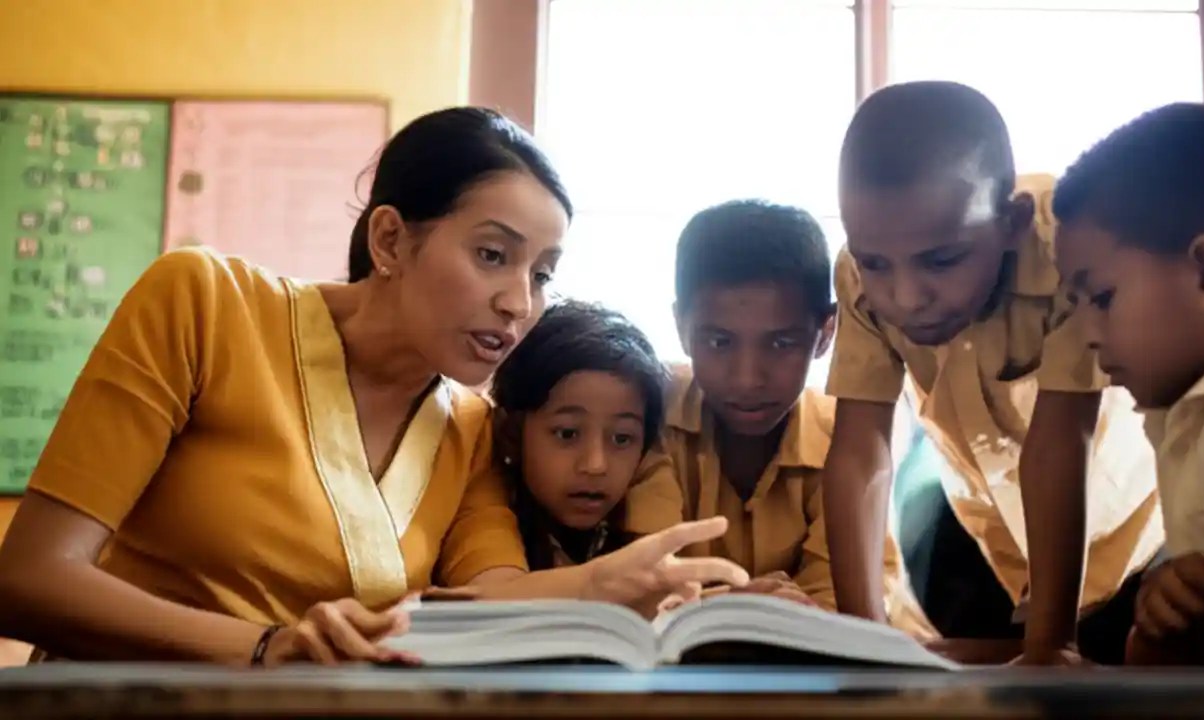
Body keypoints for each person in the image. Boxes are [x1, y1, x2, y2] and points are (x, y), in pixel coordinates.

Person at [0, 107, 746, 666]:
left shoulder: (469, 425)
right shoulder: (204, 305)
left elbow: (487, 596)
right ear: (390, 240)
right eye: (493, 254)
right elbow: (29, 578)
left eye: (542, 273)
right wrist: (265, 648)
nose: (521, 303)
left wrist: (609, 585)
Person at [822, 81, 1162, 664]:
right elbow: (860, 453)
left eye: (942, 260)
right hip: (993, 538)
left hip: (1133, 532)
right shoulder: (858, 276)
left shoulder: (1065, 250)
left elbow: (1061, 441)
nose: (907, 297)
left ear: (1011, 222)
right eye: (876, 263)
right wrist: (864, 642)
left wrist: (1052, 645)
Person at [627, 199, 929, 631]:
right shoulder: (644, 416)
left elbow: (844, 615)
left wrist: (718, 609)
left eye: (781, 343)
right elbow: (643, 585)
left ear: (825, 333)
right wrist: (740, 608)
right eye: (719, 342)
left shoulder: (847, 446)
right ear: (680, 327)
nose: (748, 378)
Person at [1053, 103, 1204, 666]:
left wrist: (1161, 640)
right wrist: (1169, 603)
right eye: (1075, 307)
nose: (1086, 335)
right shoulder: (1184, 405)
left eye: (1101, 298)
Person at [489, 300, 668, 571]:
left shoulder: (631, 524)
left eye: (622, 439)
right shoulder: (486, 526)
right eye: (568, 433)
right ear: (511, 433)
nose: (596, 465)